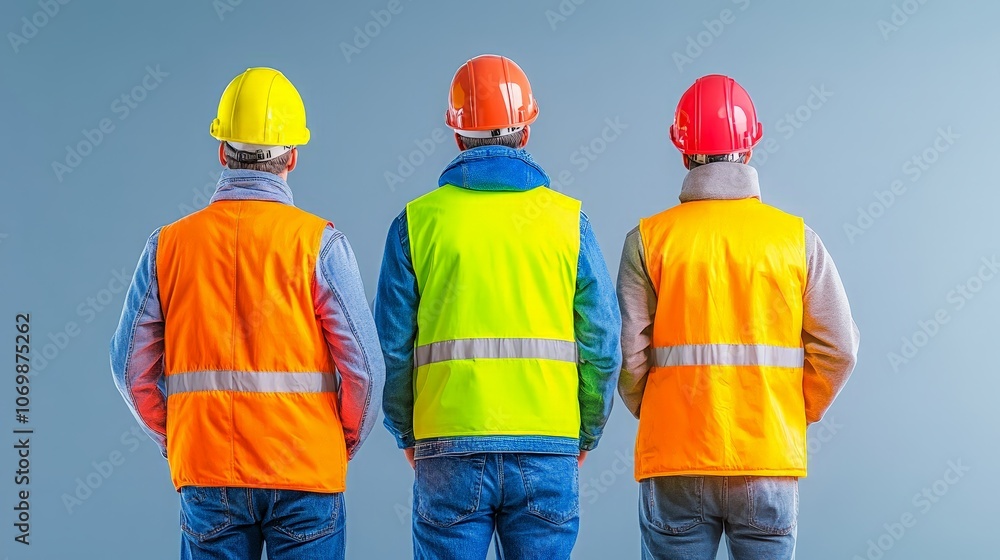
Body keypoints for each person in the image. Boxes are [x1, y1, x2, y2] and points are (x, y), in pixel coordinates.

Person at [110, 67, 385, 560]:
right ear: (293, 158)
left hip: (209, 472)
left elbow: (128, 365)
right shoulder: (319, 245)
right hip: (305, 472)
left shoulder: (169, 246)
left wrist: (178, 436)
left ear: (221, 151)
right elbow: (364, 367)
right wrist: (336, 443)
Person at [374, 54, 621, 560]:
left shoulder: (417, 223)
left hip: (448, 443)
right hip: (547, 444)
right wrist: (585, 433)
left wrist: (407, 432)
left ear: (457, 135)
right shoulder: (567, 223)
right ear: (526, 131)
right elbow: (602, 344)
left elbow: (392, 351)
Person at [616, 74, 860, 560]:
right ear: (751, 146)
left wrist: (663, 412)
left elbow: (626, 354)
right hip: (766, 456)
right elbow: (841, 350)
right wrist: (791, 410)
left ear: (681, 148)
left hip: (676, 458)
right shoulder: (795, 240)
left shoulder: (648, 239)